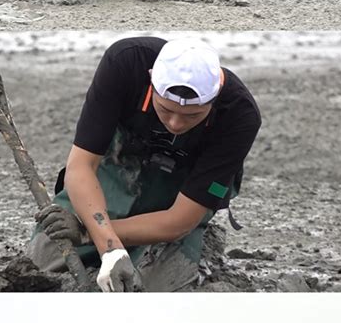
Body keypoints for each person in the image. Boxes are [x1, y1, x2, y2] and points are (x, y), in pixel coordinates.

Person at [26, 35, 262, 292]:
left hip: (183, 188)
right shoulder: (124, 62)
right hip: (121, 164)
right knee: (41, 262)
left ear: (214, 98)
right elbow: (81, 165)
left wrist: (88, 233)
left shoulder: (241, 114)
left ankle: (199, 244)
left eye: (192, 115)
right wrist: (109, 243)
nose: (175, 124)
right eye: (165, 109)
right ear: (151, 82)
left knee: (152, 287)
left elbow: (179, 220)